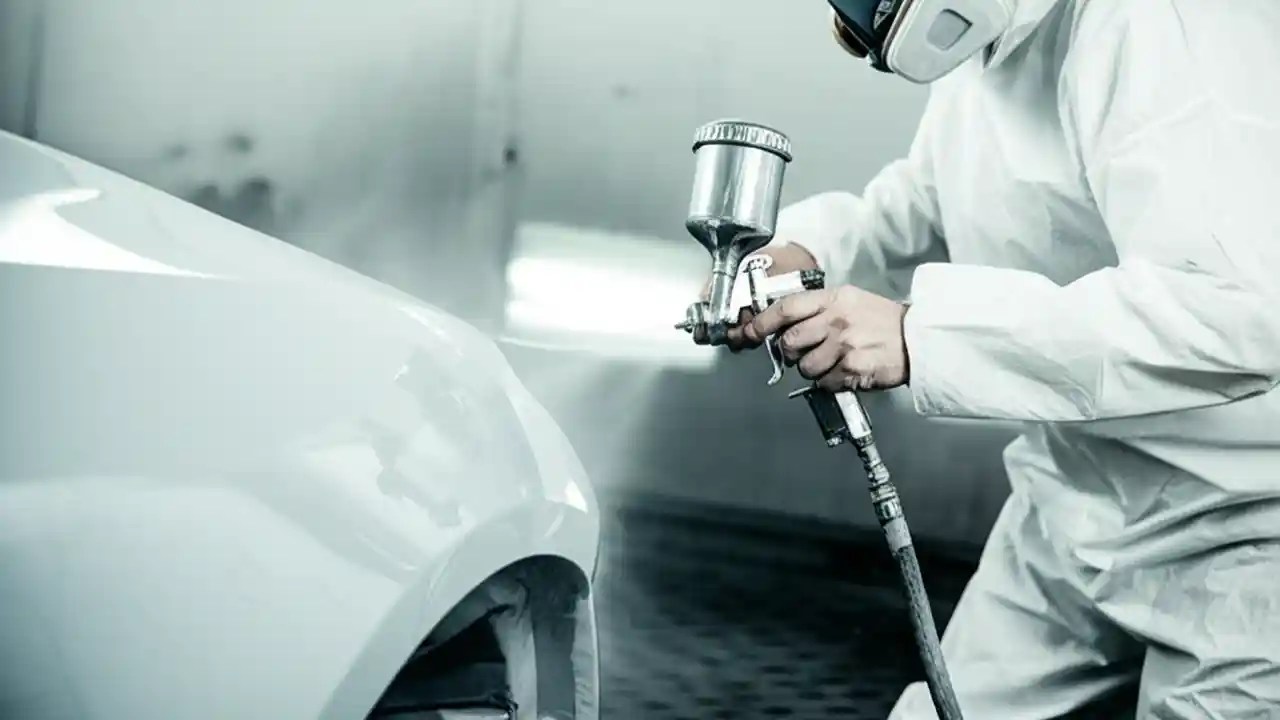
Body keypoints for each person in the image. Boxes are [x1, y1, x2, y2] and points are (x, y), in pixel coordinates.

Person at [713, 0, 1280, 716]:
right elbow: (922, 202)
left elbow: (1236, 310)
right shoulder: (993, 36)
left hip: (1243, 531)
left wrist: (921, 336)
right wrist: (809, 250)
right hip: (1073, 500)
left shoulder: (1159, 22)